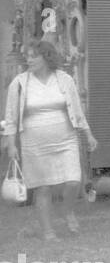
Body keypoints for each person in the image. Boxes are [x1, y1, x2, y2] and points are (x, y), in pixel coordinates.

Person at [2, 39, 98, 241]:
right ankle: (48, 231)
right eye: (27, 56)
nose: (29, 60)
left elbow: (77, 111)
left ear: (46, 57)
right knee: (43, 188)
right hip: (34, 144)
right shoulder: (19, 83)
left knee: (73, 181)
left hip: (66, 141)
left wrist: (88, 134)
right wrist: (11, 145)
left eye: (33, 56)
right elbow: (10, 119)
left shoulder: (64, 79)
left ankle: (67, 210)